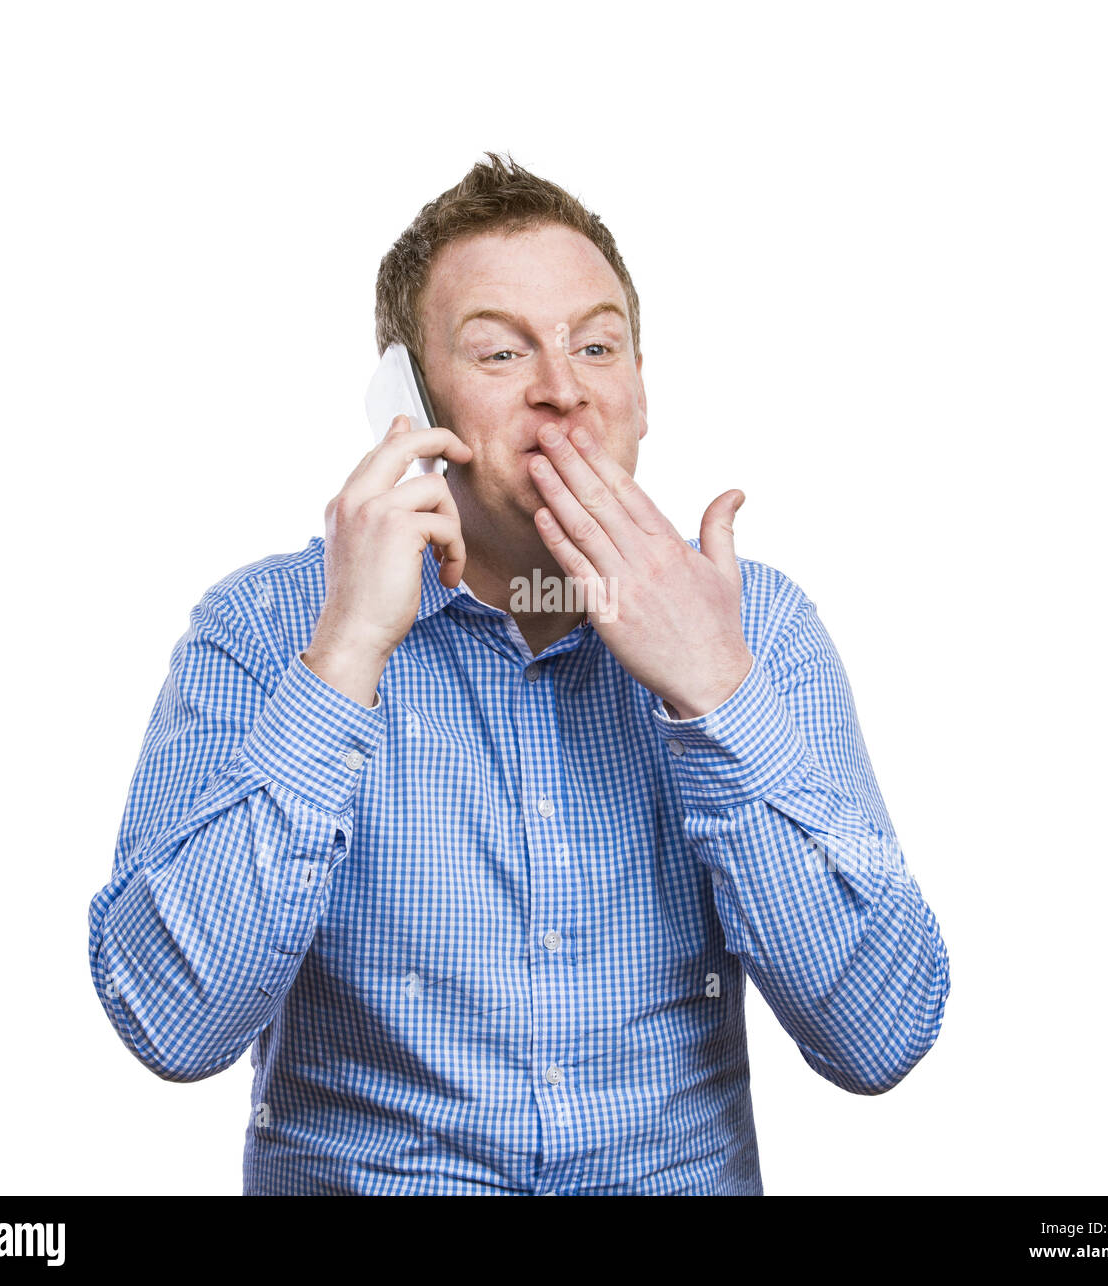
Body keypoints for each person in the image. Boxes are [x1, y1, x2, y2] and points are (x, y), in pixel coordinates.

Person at [88, 153, 951, 1196]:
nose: (564, 389)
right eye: (500, 351)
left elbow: (881, 1033)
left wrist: (714, 691)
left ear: (640, 391)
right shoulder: (264, 625)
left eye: (597, 344)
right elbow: (171, 1021)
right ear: (405, 405)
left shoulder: (756, 623)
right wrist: (345, 656)